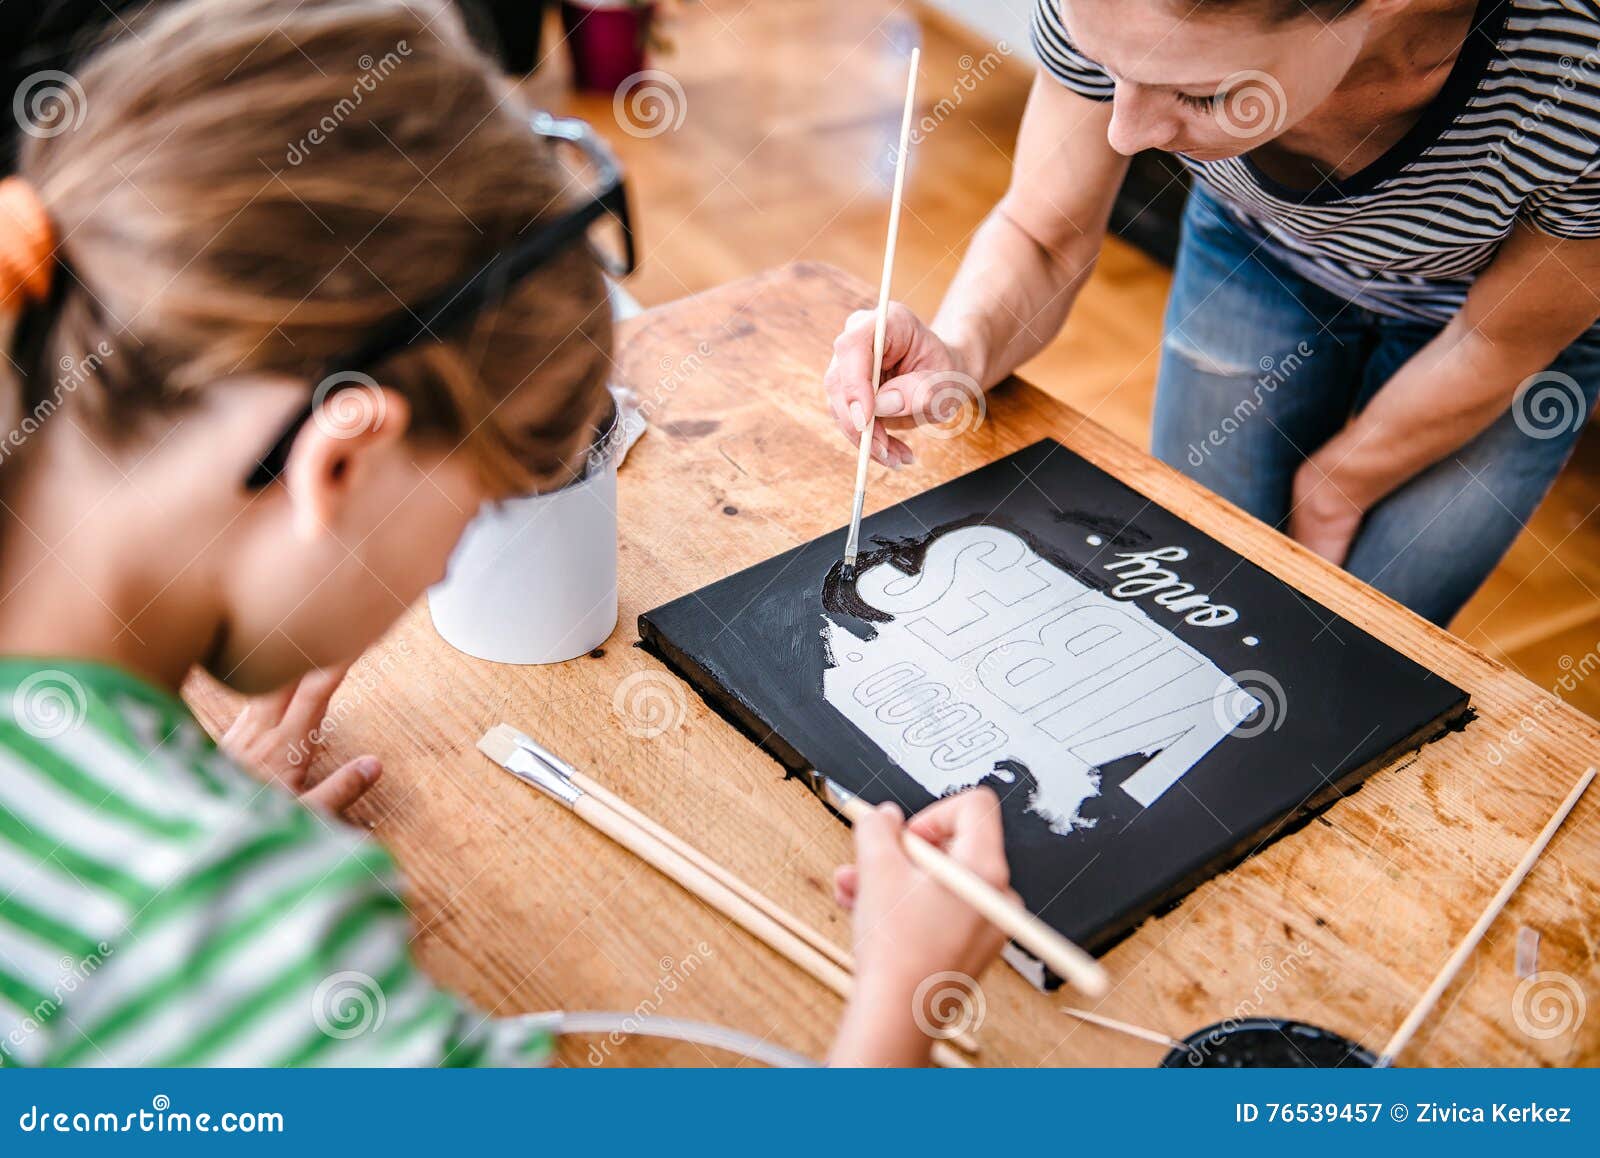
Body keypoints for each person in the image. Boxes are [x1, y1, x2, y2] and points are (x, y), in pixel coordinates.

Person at [0, 0, 1009, 1067]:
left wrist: (192, 805)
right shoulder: (242, 936)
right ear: (338, 465)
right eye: (477, 507)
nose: (448, 560)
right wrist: (901, 1005)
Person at [825, 0, 1600, 627]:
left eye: (1200, 94)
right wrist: (959, 351)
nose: (1127, 133)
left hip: (1499, 334)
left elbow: (1495, 342)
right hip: (1258, 250)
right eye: (1106, 69)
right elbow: (1042, 233)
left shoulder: (1576, 80)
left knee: (1363, 642)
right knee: (1190, 577)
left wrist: (1341, 484)